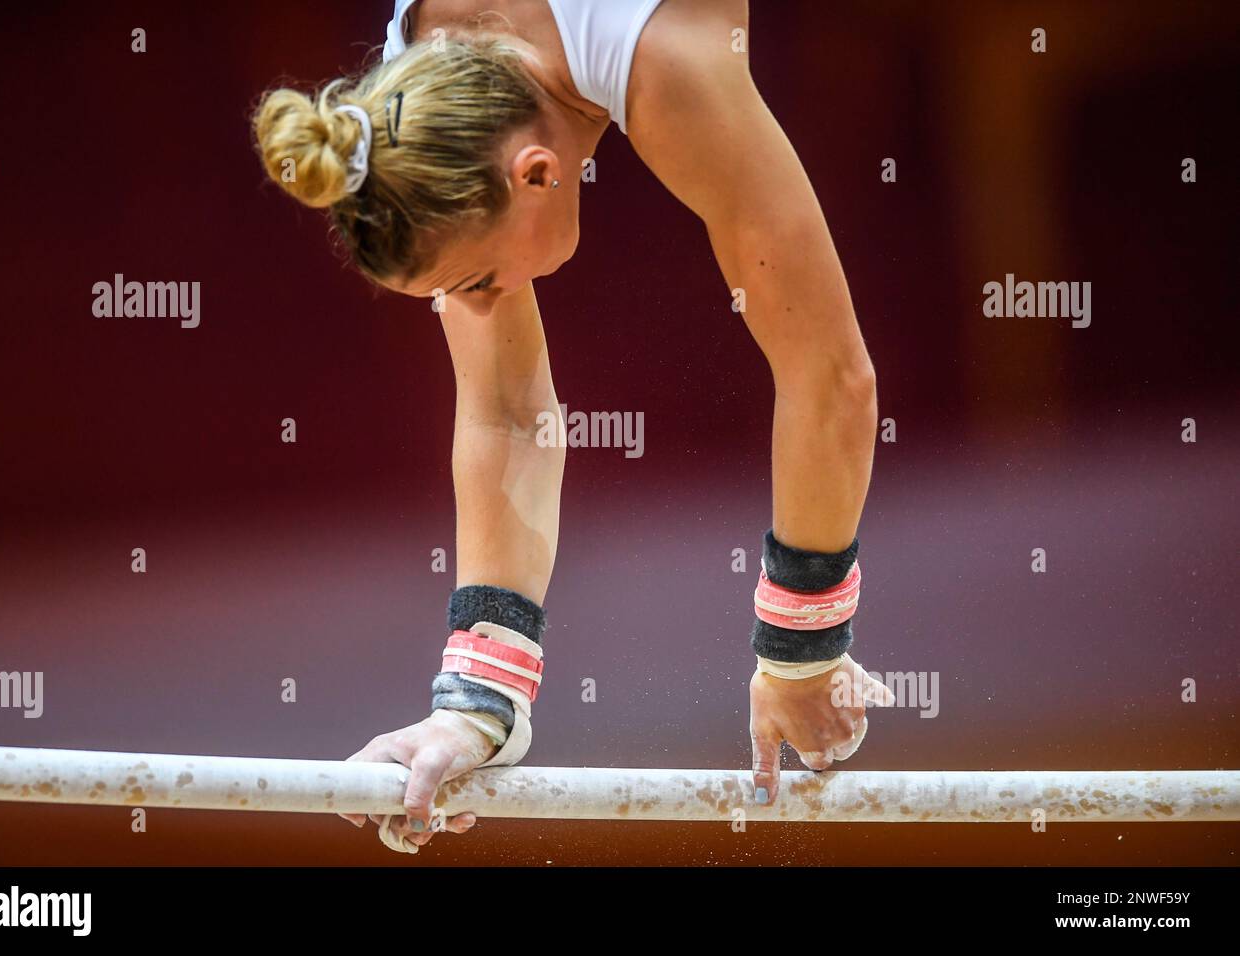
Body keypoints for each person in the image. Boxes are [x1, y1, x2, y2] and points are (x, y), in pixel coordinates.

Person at [252, 0, 892, 853]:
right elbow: (508, 413)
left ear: (538, 172)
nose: (480, 303)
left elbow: (832, 372)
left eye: (477, 281)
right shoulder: (416, 106)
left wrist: (801, 649)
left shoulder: (672, 63)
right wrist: (476, 704)